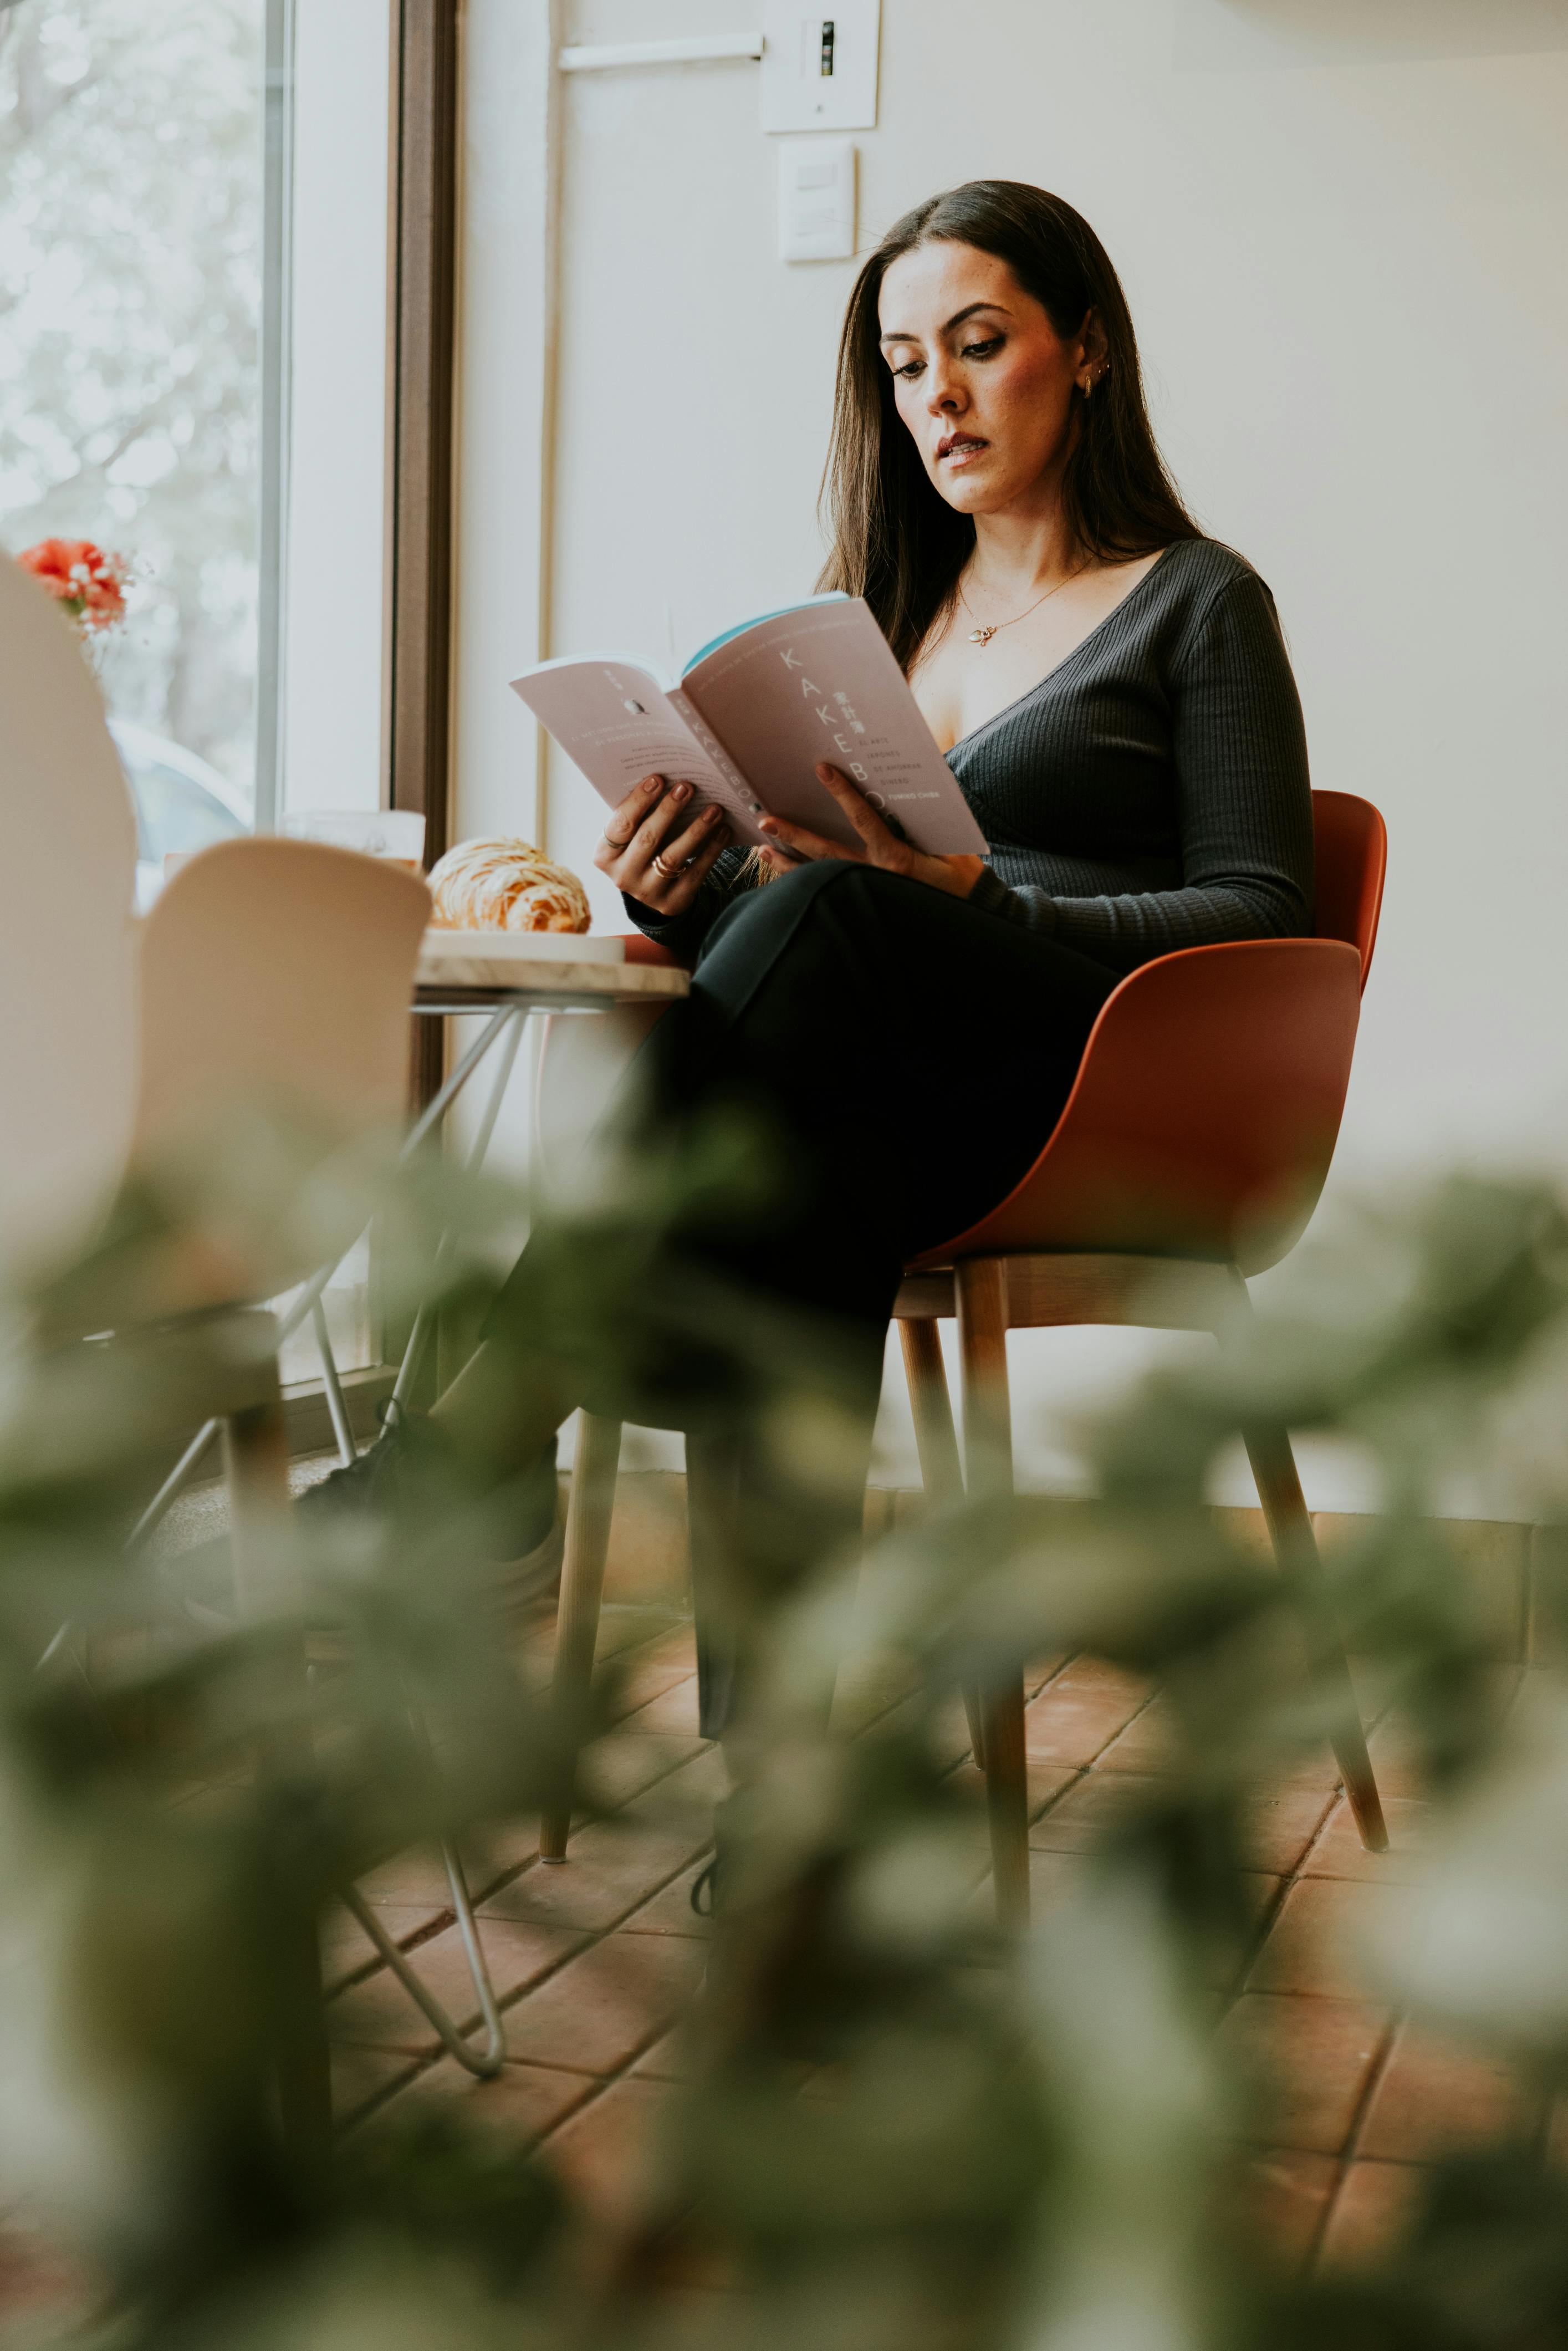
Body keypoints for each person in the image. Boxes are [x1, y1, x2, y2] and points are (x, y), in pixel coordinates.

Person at [318, 179, 1313, 1688]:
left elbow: (1263, 912)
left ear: (1088, 348)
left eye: (979, 343)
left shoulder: (1197, 604)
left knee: (838, 936)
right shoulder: (878, 621)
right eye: (906, 366)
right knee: (797, 1173)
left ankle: (464, 1451)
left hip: (1079, 1086)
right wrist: (681, 885)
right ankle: (776, 1805)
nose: (941, 396)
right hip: (873, 1072)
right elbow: (803, 914)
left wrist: (983, 902)